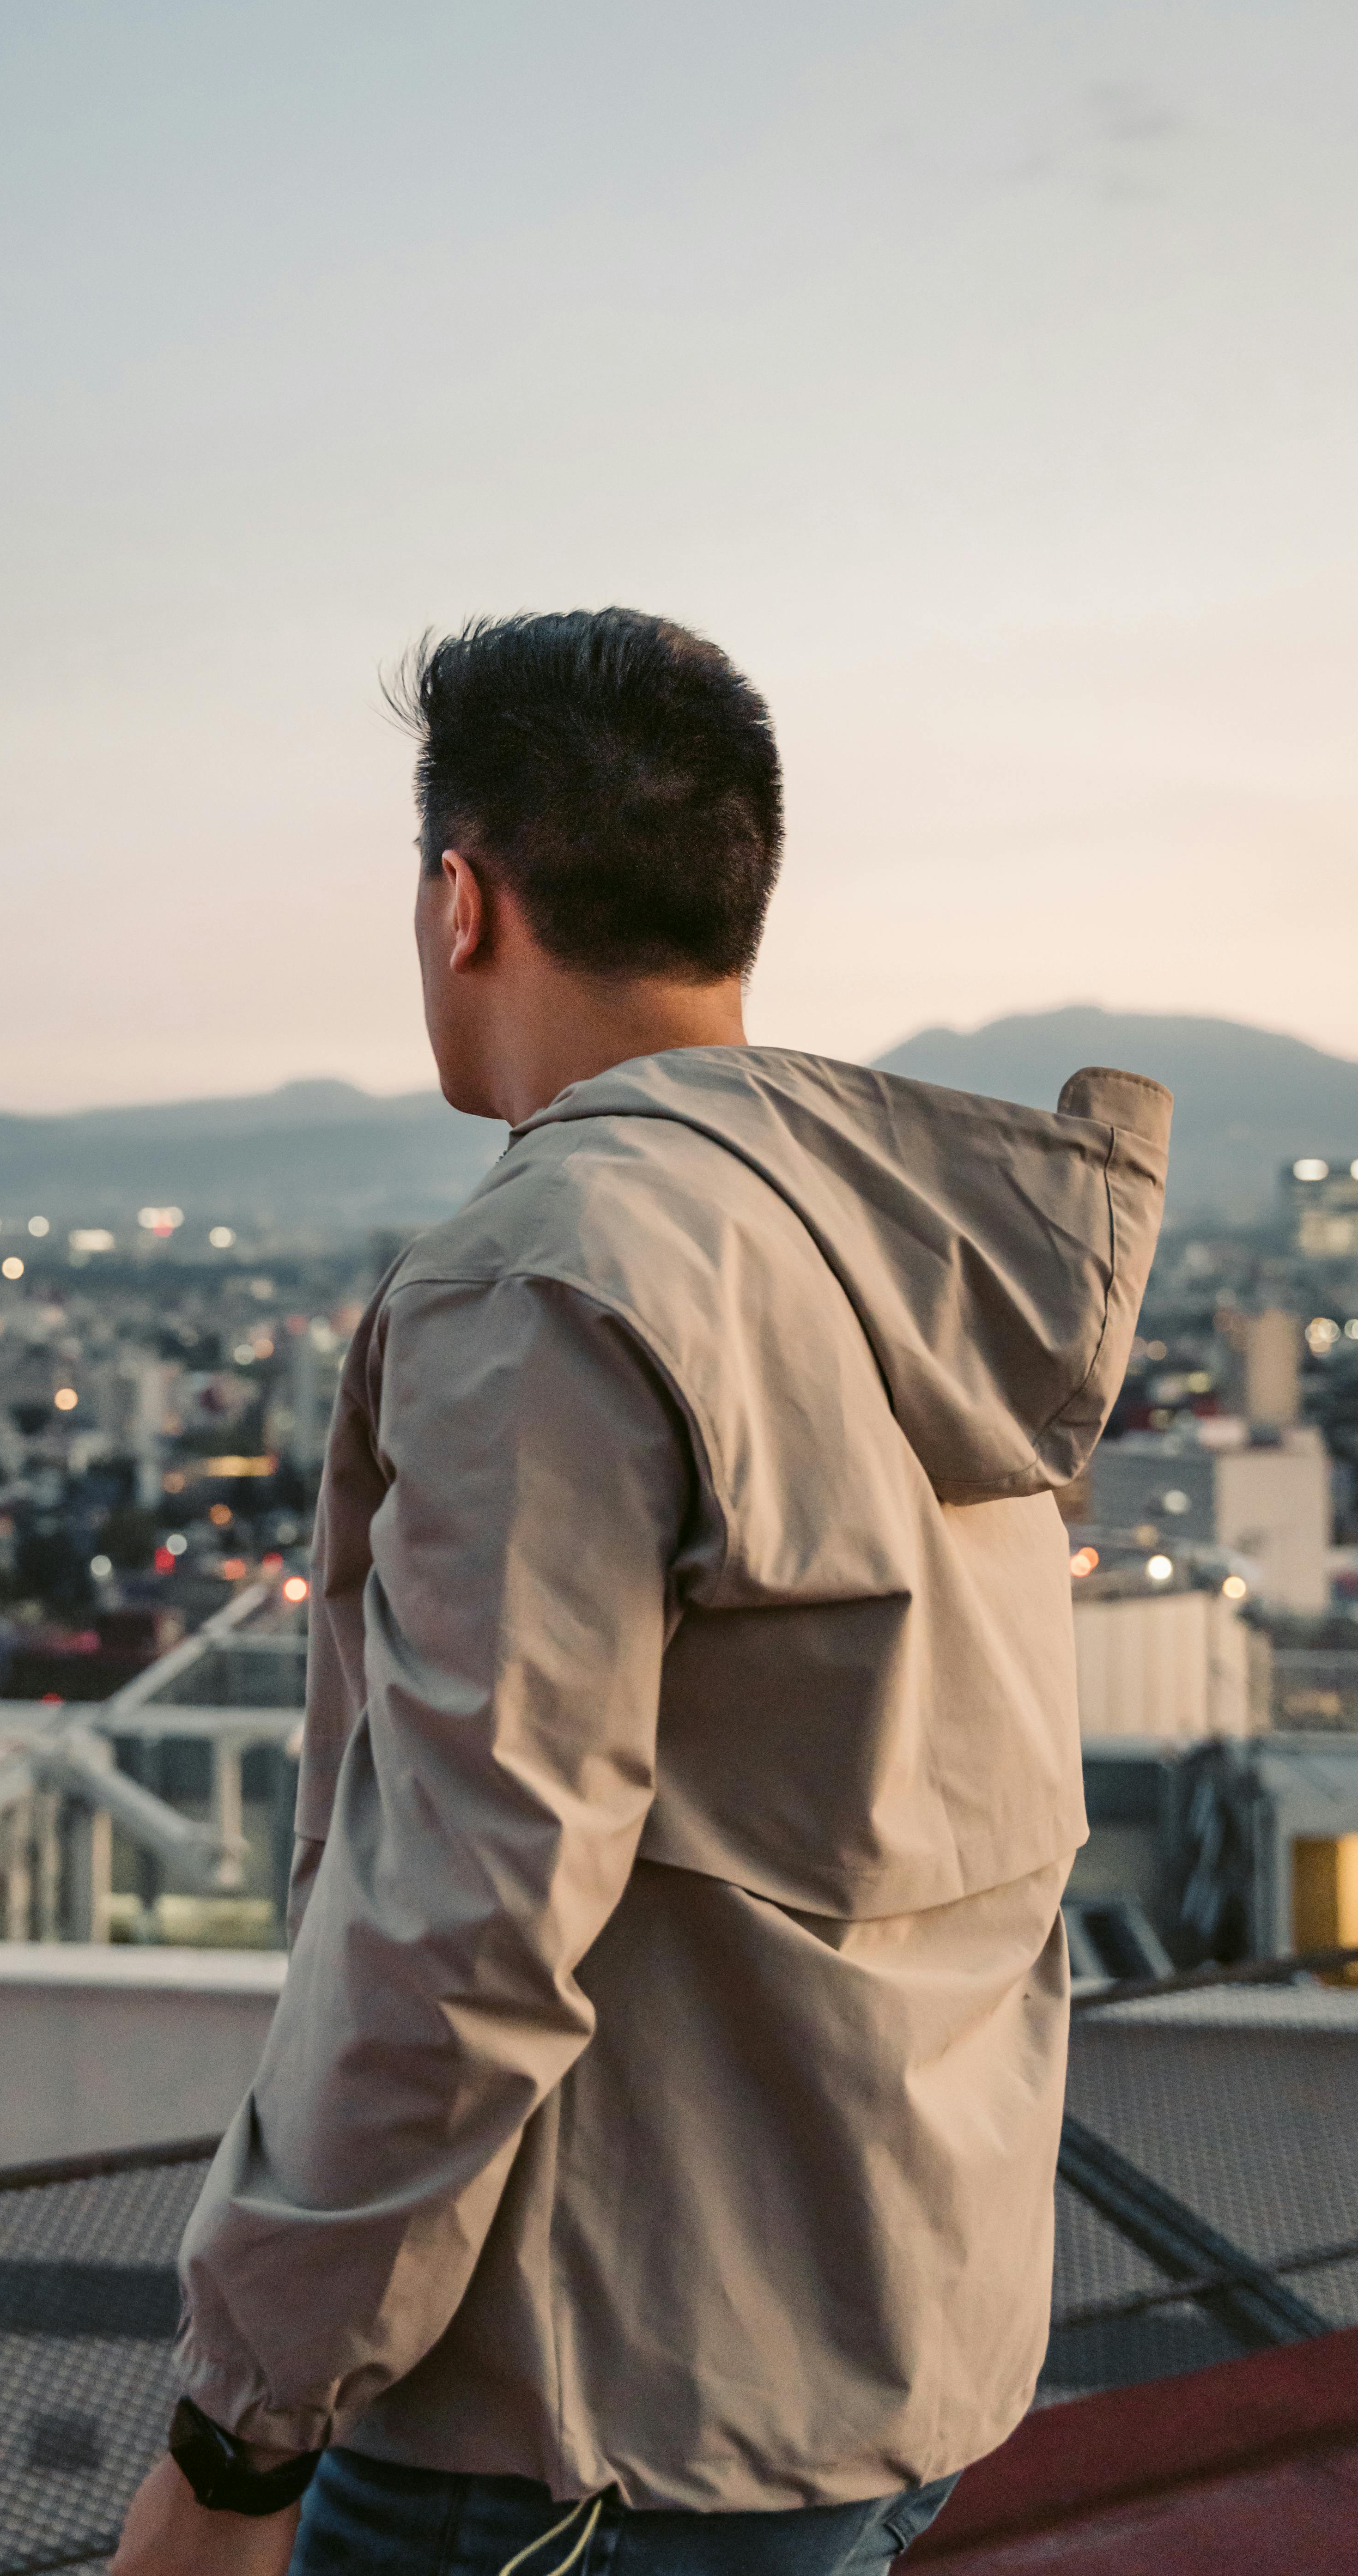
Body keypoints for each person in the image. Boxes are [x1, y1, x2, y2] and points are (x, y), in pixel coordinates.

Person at [112, 608, 1170, 2576]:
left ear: (459, 897)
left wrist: (238, 2436)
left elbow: (463, 1927)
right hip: (879, 2362)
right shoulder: (907, 1245)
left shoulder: (550, 1274)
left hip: (577, 2424)